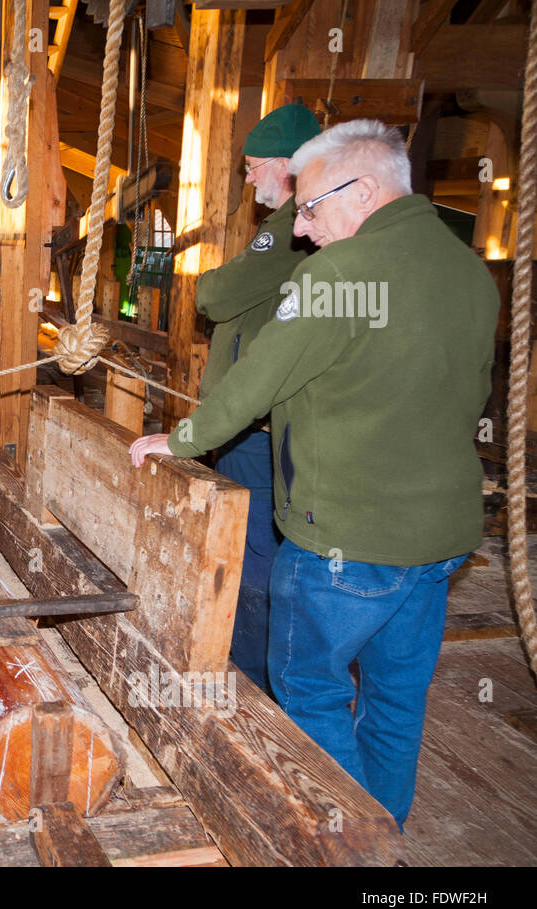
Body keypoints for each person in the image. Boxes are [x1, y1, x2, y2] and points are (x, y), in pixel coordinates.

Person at [128, 119, 497, 829]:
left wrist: (183, 440)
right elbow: (467, 393)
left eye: (310, 207)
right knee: (394, 700)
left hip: (346, 539)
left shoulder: (341, 272)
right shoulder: (467, 270)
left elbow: (259, 376)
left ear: (361, 192)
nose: (299, 228)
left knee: (309, 695)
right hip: (440, 539)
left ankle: (351, 844)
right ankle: (385, 831)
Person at [192, 103, 319, 694]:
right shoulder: (299, 223)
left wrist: (205, 284)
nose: (246, 179)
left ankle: (250, 687)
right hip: (258, 427)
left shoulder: (294, 224)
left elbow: (217, 296)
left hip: (256, 433)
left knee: (252, 563)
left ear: (285, 166)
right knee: (254, 555)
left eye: (251, 167)